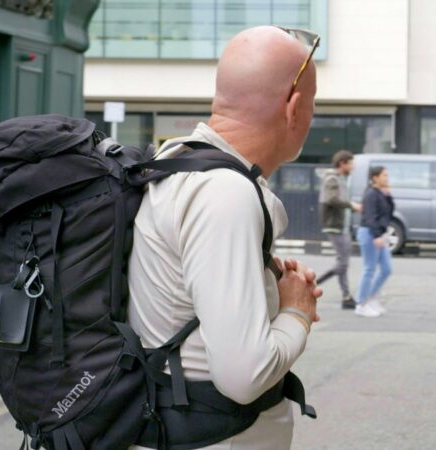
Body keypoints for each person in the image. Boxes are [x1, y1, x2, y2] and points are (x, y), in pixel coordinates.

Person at [127, 26, 322, 449]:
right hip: (212, 436)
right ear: (293, 108)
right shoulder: (225, 192)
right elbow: (244, 376)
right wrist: (297, 312)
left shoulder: (177, 160)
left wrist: (272, 282)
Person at [316, 149, 362, 309]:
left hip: (341, 226)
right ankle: (316, 283)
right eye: (351, 163)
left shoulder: (341, 179)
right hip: (335, 226)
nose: (354, 166)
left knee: (343, 263)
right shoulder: (332, 179)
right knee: (342, 264)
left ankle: (346, 297)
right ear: (342, 163)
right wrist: (351, 205)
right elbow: (331, 199)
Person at [354, 166, 394, 318]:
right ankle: (361, 303)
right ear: (375, 178)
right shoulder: (371, 194)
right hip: (370, 234)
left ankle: (371, 298)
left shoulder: (381, 193)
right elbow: (369, 216)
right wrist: (376, 235)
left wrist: (389, 196)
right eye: (384, 175)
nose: (387, 178)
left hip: (379, 234)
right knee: (369, 269)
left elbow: (389, 212)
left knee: (386, 269)